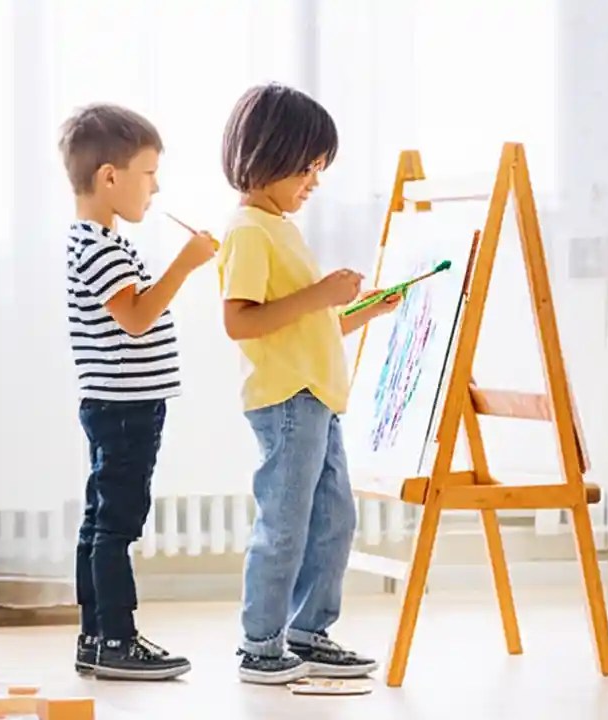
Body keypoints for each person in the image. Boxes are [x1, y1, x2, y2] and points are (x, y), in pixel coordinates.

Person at [216, 82, 400, 684]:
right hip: (288, 402)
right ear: (269, 154)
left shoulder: (279, 226)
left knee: (333, 519)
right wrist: (321, 295)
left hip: (316, 398)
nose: (313, 182)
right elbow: (240, 321)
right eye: (308, 167)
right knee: (287, 522)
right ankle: (260, 643)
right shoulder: (249, 230)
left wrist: (358, 312)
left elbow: (303, 325)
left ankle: (307, 629)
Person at [58, 103, 216, 680]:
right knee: (116, 525)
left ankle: (95, 638)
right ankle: (117, 639)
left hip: (120, 404)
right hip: (123, 408)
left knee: (102, 520)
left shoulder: (100, 240)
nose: (156, 188)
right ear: (109, 178)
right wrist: (187, 263)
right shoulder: (98, 246)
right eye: (148, 175)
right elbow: (136, 316)